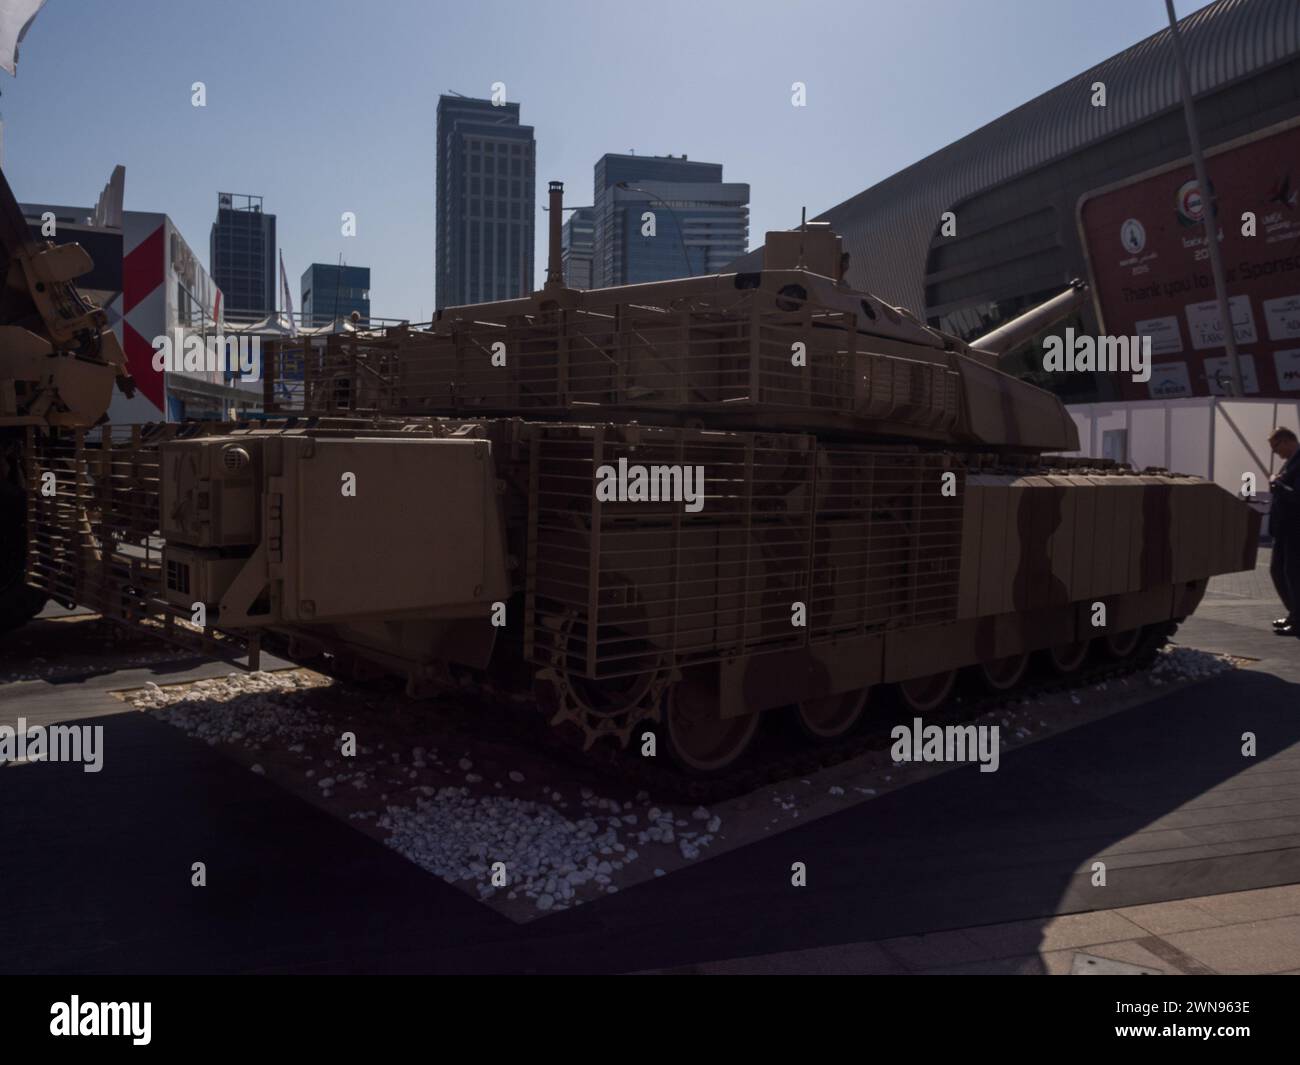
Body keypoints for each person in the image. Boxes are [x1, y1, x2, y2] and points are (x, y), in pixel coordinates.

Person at [1267, 427, 1300, 635]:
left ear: (1287, 441)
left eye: (1275, 447)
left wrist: (1277, 483)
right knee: (1278, 571)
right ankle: (1294, 614)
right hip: (1284, 529)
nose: (1274, 452)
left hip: (1295, 528)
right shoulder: (1291, 462)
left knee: (1293, 574)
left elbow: (1296, 495)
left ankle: (1298, 621)